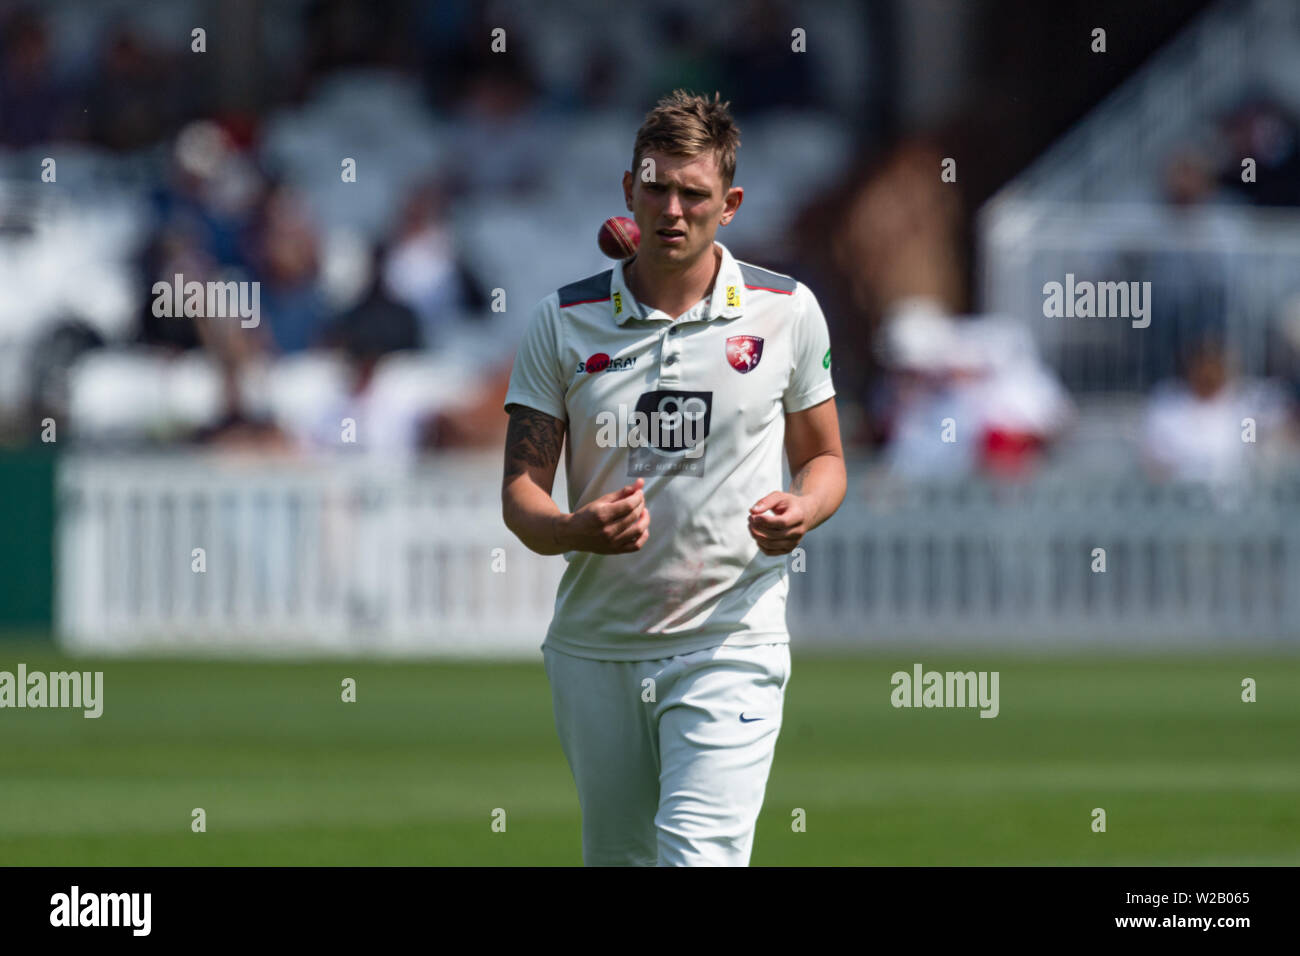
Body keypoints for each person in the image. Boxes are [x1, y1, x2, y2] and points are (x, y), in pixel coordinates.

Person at [500, 90, 846, 866]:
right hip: (598, 646)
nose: (673, 208)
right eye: (655, 186)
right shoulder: (563, 321)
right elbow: (521, 493)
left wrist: (805, 507)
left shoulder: (786, 312)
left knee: (698, 857)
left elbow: (825, 458)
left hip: (731, 638)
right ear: (628, 190)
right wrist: (570, 531)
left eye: (694, 194)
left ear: (731, 204)